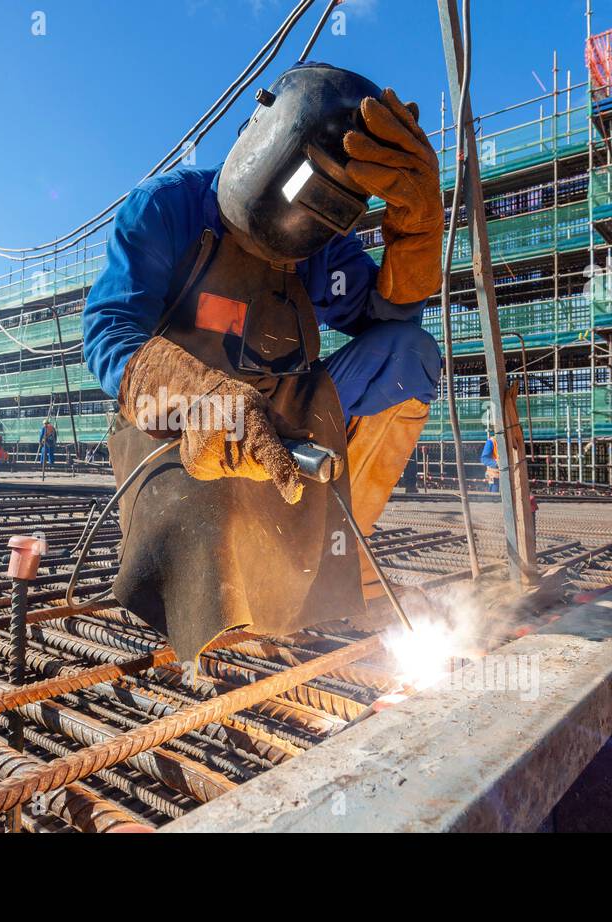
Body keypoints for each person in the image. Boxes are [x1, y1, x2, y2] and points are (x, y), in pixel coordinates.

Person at [81, 63, 443, 660]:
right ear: (265, 140)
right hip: (180, 433)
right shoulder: (165, 210)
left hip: (283, 424)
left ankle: (345, 556)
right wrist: (198, 400)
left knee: (409, 354)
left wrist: (418, 236)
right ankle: (222, 603)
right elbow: (108, 332)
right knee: (215, 591)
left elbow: (390, 328)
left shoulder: (323, 246)